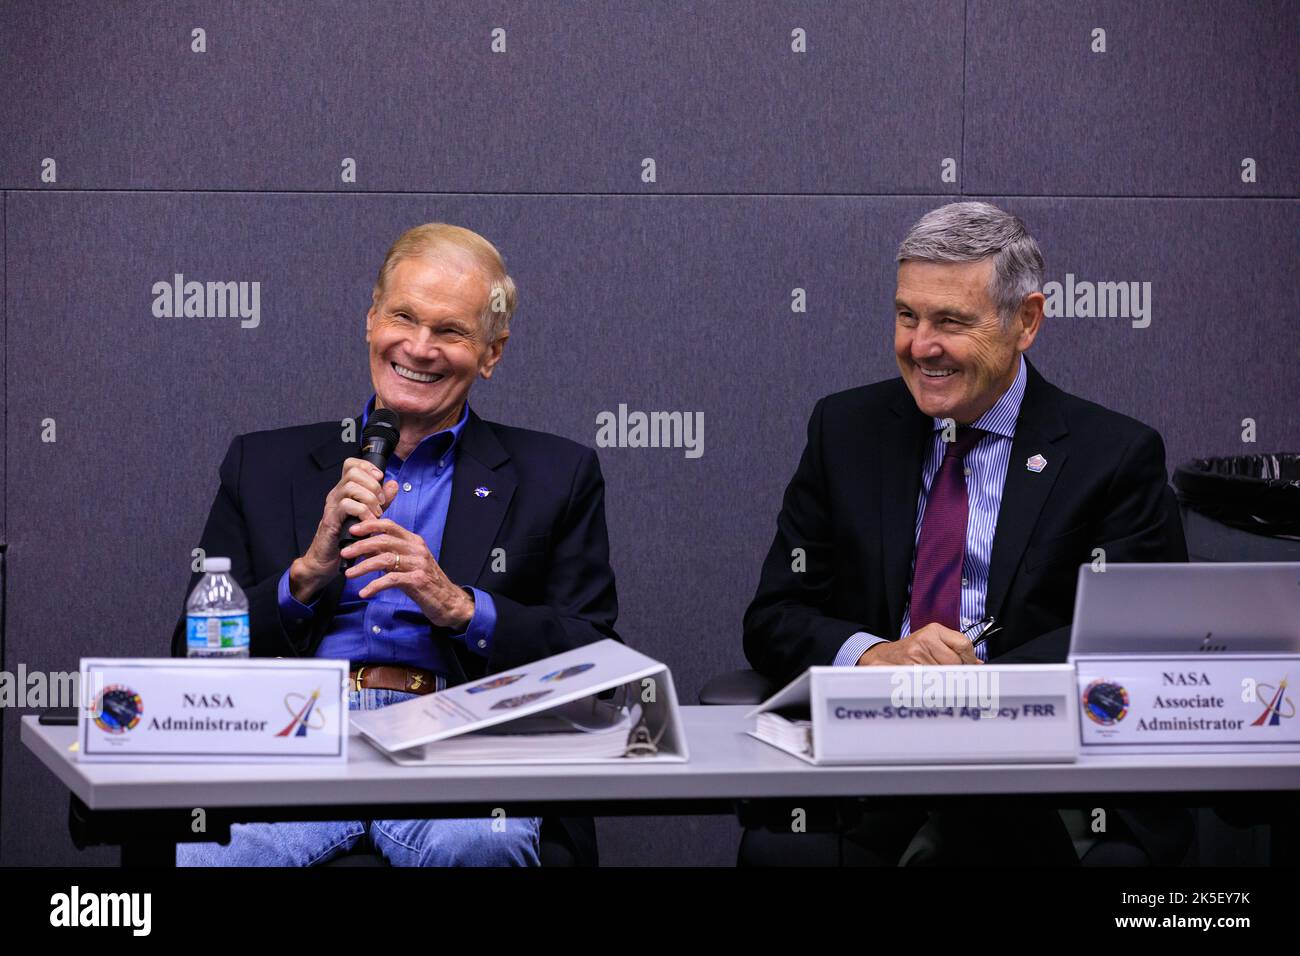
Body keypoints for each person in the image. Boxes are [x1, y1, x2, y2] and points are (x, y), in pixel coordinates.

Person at [742, 201, 1189, 865]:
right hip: (871, 774)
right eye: (907, 316)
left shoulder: (1113, 455)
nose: (921, 346)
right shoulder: (845, 432)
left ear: (1026, 320)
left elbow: (1142, 643)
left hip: (1040, 778)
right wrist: (874, 656)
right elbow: (775, 617)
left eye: (950, 321)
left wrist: (974, 691)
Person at [172, 223, 619, 866]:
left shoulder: (558, 475)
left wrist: (464, 609)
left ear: (492, 353)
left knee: (479, 845)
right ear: (370, 321)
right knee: (221, 855)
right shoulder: (263, 464)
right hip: (297, 732)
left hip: (457, 733)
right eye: (403, 317)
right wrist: (304, 578)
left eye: (451, 331)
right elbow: (191, 655)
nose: (419, 346)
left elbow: (599, 664)